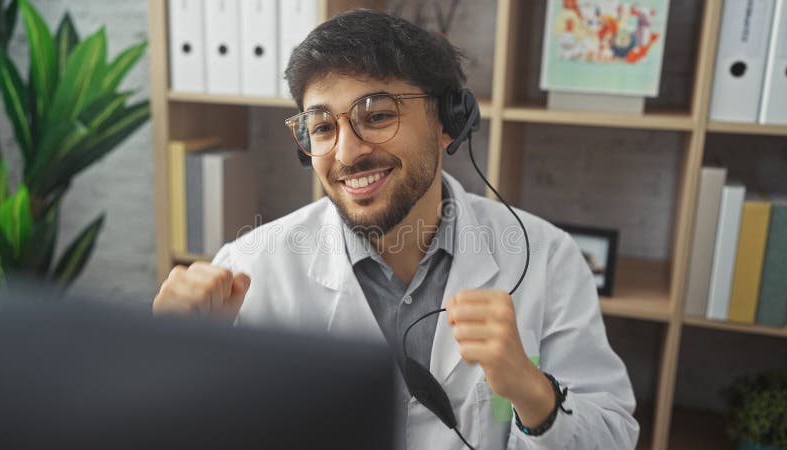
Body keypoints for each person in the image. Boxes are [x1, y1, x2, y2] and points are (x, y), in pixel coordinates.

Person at [153, 9, 639, 450]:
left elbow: (613, 435)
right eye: (323, 127)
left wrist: (532, 392)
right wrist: (173, 363)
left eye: (378, 115)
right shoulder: (248, 268)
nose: (346, 154)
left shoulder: (546, 258)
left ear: (448, 123)